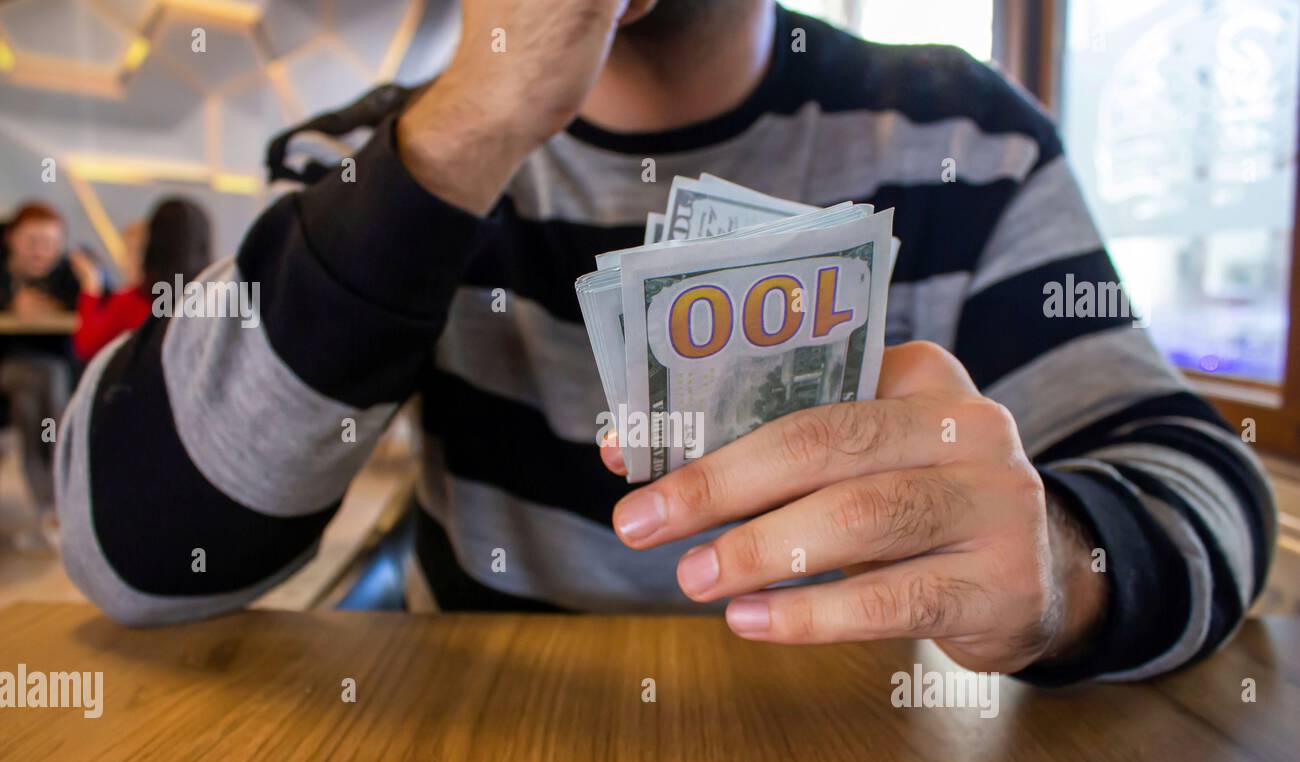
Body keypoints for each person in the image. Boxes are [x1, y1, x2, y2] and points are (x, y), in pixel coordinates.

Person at [56, 1, 1274, 686]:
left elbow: (1197, 481)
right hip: (490, 758)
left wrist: (1064, 572)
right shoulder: (393, 157)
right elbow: (139, 549)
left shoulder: (964, 131)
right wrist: (472, 122)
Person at [1, 201, 79, 549]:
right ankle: (52, 505)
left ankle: (51, 504)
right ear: (12, 238)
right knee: (37, 389)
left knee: (45, 389)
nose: (41, 251)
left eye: (50, 242)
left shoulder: (70, 276)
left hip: (55, 373)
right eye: (33, 241)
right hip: (12, 367)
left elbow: (92, 319)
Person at [68, 199, 213, 362]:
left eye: (131, 252)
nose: (125, 261)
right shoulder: (210, 300)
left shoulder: (132, 301)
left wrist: (90, 289)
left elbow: (86, 345)